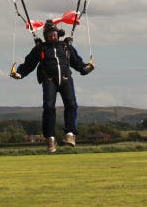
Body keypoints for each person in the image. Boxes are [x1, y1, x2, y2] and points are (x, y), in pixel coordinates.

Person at [10, 19, 94, 153]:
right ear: (46, 36)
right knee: (49, 107)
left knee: (71, 105)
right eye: (49, 34)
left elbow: (78, 63)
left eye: (54, 33)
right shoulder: (40, 48)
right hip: (49, 80)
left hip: (66, 79)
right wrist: (19, 74)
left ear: (58, 34)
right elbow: (28, 65)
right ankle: (50, 139)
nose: (52, 36)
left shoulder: (66, 47)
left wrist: (86, 68)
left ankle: (70, 135)